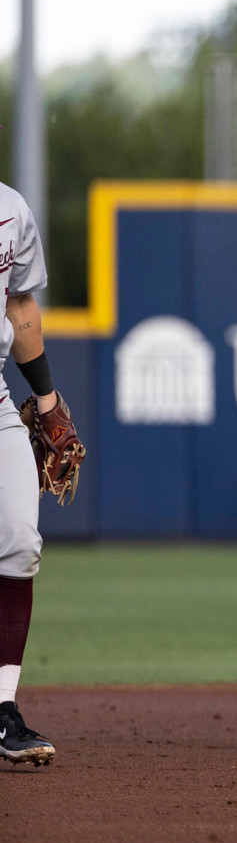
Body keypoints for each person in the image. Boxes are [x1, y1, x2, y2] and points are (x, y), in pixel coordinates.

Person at [0, 178, 87, 766]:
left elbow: (20, 307)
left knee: (19, 542)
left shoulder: (10, 208)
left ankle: (2, 711)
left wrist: (49, 402)